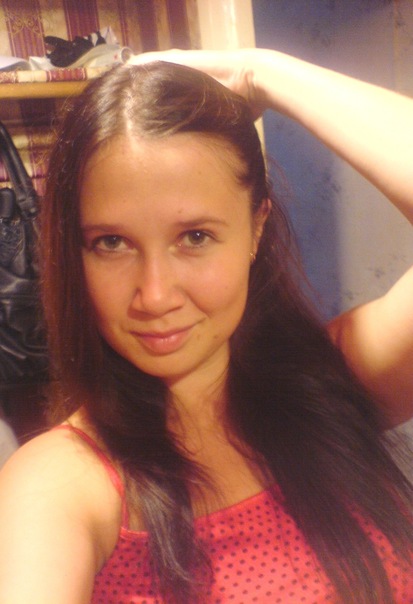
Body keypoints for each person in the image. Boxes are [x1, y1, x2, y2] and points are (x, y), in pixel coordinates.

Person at [0, 48, 412, 604]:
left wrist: (261, 71)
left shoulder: (339, 380)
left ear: (256, 227)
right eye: (111, 242)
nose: (155, 295)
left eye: (195, 237)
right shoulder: (63, 486)